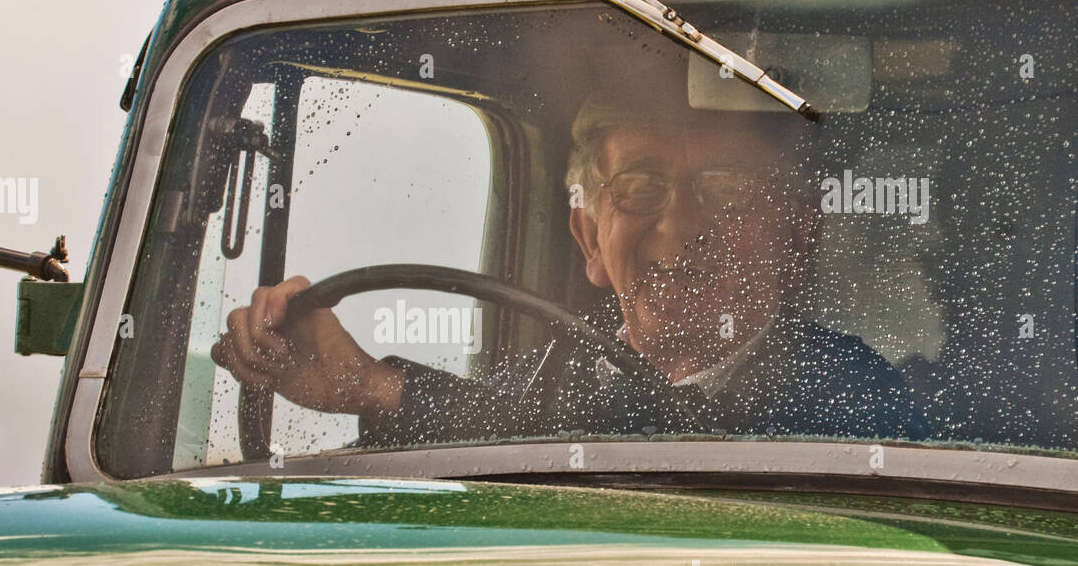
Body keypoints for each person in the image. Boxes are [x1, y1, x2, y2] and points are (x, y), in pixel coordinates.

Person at [210, 87, 929, 447]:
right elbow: (487, 427)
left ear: (795, 239)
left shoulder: (865, 409)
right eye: (642, 187)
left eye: (726, 190)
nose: (679, 226)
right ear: (589, 240)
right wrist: (363, 384)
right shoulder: (546, 382)